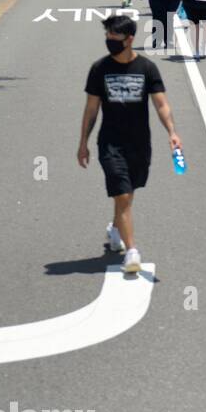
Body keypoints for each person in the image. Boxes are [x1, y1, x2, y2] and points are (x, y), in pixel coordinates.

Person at [78, 15, 182, 277]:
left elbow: (161, 104)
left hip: (139, 143)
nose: (110, 42)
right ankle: (132, 251)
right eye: (107, 37)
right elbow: (91, 109)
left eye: (115, 38)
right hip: (110, 142)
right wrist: (83, 143)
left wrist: (172, 132)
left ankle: (115, 229)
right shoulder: (99, 69)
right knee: (122, 193)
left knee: (128, 191)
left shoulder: (147, 68)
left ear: (130, 39)